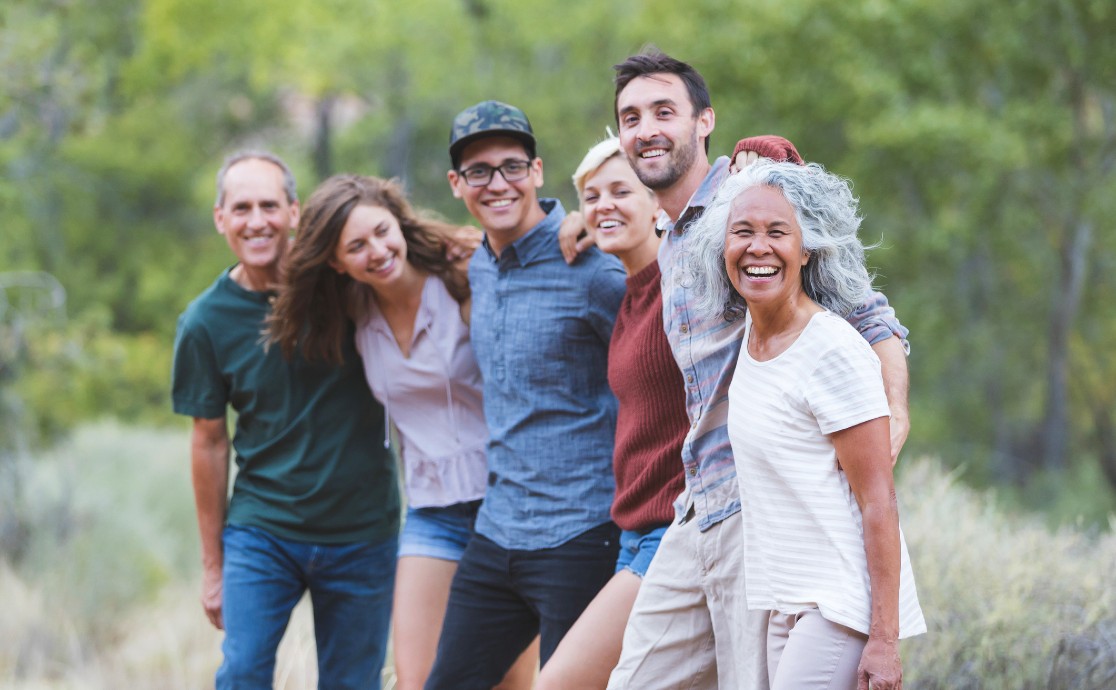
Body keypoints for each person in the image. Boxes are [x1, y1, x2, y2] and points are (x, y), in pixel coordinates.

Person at [556, 50, 912, 690]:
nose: (646, 130)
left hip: (761, 511)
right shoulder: (668, 241)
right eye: (630, 118)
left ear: (704, 122)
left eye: (665, 111)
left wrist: (895, 416)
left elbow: (869, 314)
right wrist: (576, 223)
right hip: (694, 510)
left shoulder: (753, 202)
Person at [266, 174, 537, 690]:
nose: (377, 251)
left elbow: (530, 248)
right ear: (335, 261)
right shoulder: (352, 310)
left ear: (399, 223)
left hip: (507, 507)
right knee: (417, 681)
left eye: (381, 232)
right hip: (431, 512)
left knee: (509, 683)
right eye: (356, 246)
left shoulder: (462, 275)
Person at [686, 159, 926, 689]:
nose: (758, 247)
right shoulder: (750, 338)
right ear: (720, 247)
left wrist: (884, 642)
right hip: (784, 604)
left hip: (837, 604)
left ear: (807, 248)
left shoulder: (831, 349)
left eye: (778, 232)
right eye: (742, 232)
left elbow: (878, 501)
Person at [171, 152, 400, 689]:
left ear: (294, 212)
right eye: (242, 207)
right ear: (220, 218)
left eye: (270, 205)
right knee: (243, 672)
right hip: (263, 532)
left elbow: (423, 265)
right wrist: (213, 567)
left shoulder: (347, 284)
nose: (257, 221)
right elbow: (208, 443)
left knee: (353, 684)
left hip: (363, 531)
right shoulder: (205, 323)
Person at [422, 101, 628, 690]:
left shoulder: (593, 267)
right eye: (479, 171)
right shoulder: (478, 268)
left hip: (582, 532)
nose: (498, 183)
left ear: (537, 172)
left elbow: (665, 360)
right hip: (497, 532)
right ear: (457, 185)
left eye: (511, 166)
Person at [533, 136, 685, 689]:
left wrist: (759, 153)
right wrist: (580, 221)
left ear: (657, 203)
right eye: (591, 196)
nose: (604, 205)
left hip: (677, 530)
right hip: (633, 529)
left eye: (622, 191)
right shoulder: (624, 291)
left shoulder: (687, 282)